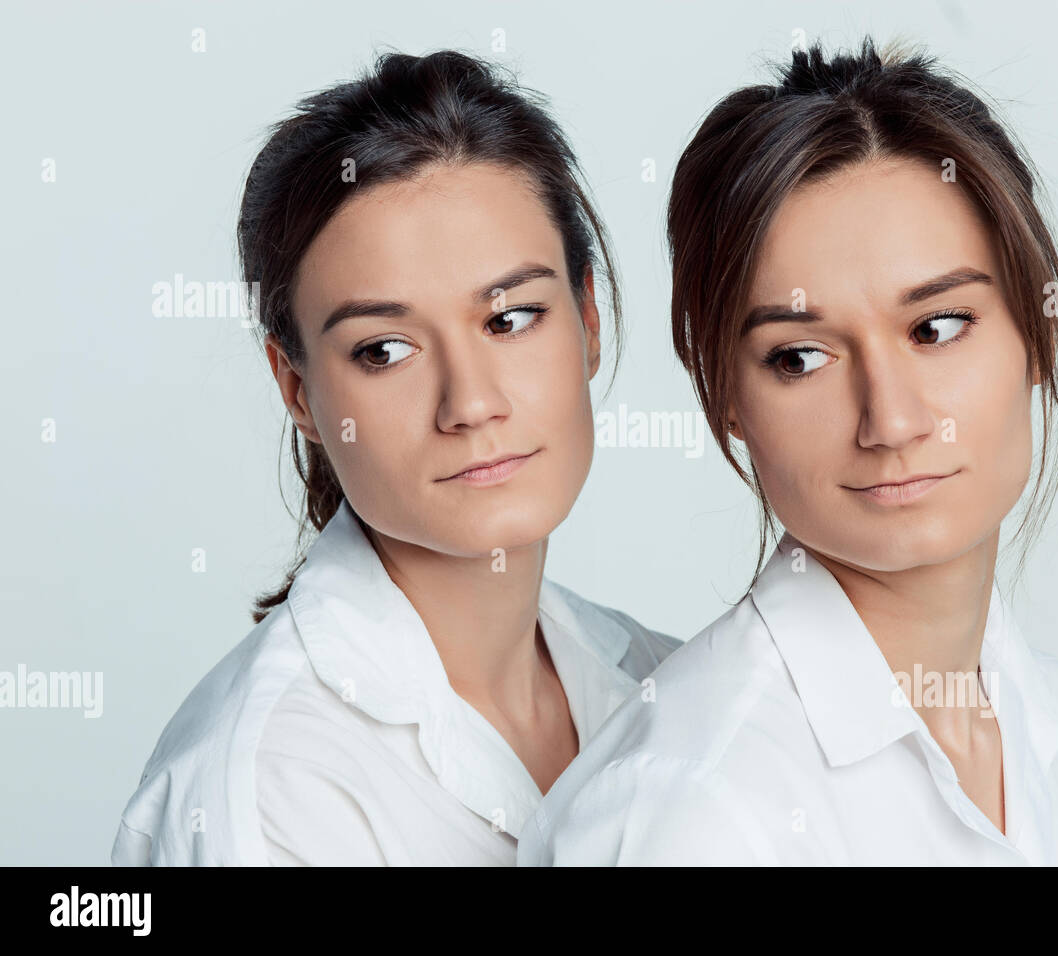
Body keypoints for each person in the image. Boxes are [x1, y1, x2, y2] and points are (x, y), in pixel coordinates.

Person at [519, 37, 1058, 866]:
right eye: (801, 357)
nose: (889, 420)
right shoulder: (691, 809)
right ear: (728, 396)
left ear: (1038, 326)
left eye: (937, 327)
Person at [111, 49, 677, 866]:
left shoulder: (665, 679)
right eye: (384, 349)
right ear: (297, 388)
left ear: (588, 319)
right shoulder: (268, 786)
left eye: (511, 318)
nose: (471, 403)